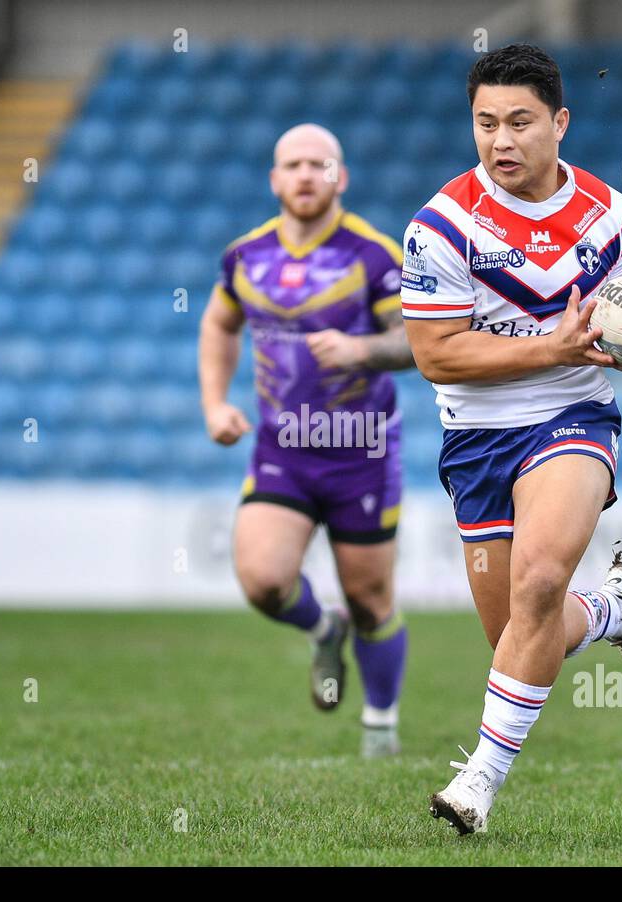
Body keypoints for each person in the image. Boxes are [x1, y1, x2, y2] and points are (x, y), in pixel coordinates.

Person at [400, 44, 622, 832]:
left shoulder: (614, 219)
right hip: (476, 439)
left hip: (572, 419)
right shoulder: (441, 227)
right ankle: (611, 610)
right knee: (522, 635)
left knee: (536, 585)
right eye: (486, 123)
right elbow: (437, 356)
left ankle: (478, 784)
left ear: (560, 123)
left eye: (520, 122)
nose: (501, 140)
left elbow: (609, 332)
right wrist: (552, 346)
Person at [197, 123, 416, 757]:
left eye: (318, 165)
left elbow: (413, 342)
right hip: (283, 450)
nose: (304, 175)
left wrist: (361, 349)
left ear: (339, 177)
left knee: (372, 598)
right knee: (264, 580)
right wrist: (215, 404)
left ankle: (380, 730)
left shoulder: (374, 256)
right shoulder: (245, 256)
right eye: (292, 165)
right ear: (274, 179)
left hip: (362, 452)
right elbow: (218, 323)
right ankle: (323, 630)